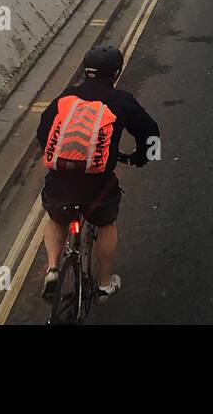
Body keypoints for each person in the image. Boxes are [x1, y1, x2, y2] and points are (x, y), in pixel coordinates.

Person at [36, 44, 159, 301]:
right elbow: (149, 132)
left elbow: (43, 132)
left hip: (60, 183)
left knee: (56, 219)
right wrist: (140, 158)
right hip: (97, 187)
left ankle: (52, 268)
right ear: (115, 73)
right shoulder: (122, 100)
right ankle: (104, 284)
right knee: (106, 223)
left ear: (85, 70)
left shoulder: (66, 97)